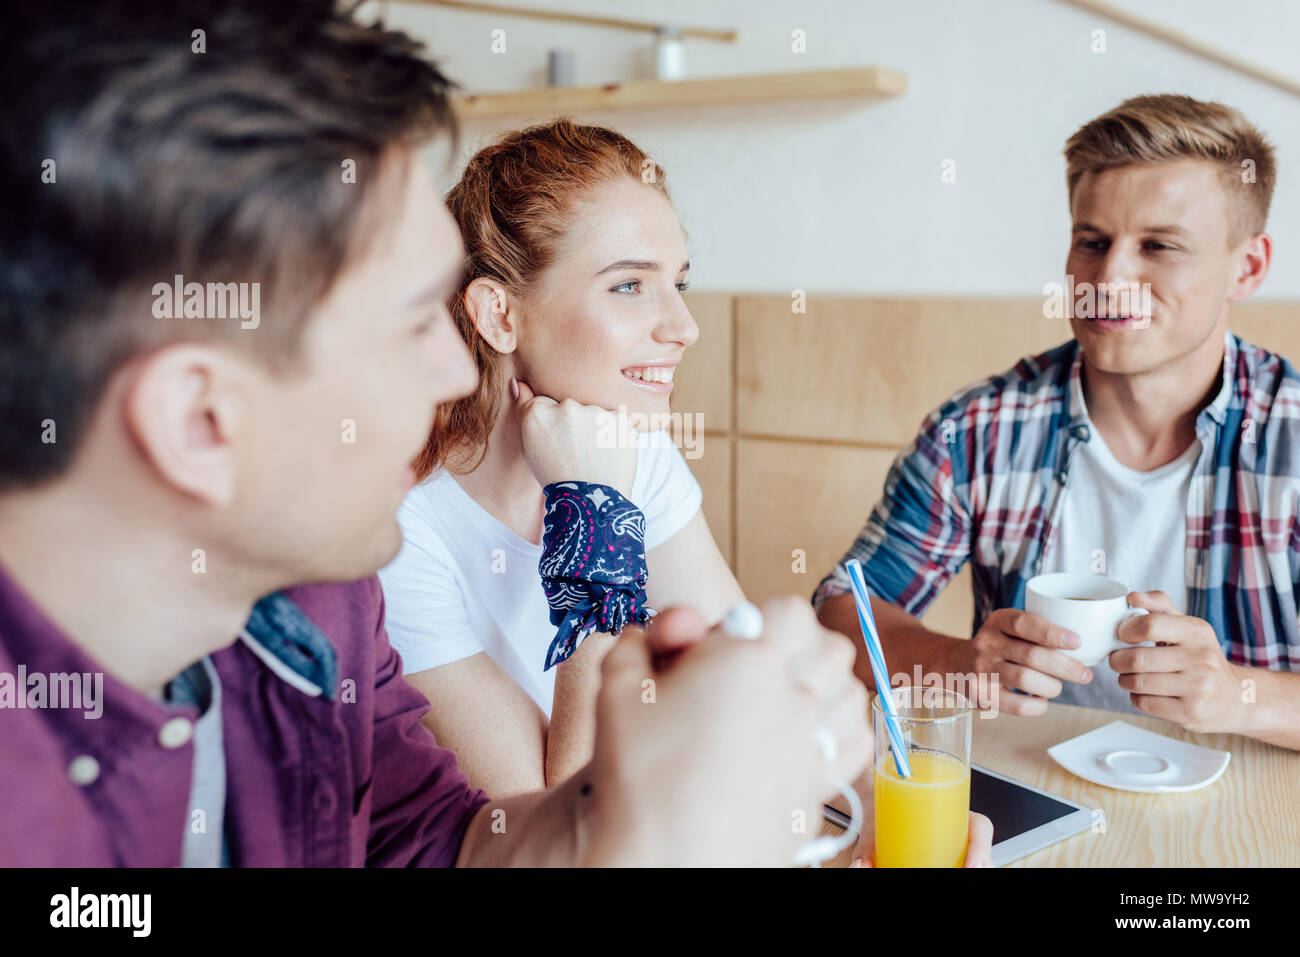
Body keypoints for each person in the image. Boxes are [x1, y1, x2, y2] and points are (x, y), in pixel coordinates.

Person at [0, 0, 991, 867]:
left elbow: (453, 840)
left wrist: (706, 778)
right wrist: (651, 841)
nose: (450, 369)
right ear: (199, 422)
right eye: (409, 324)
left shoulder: (323, 611)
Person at [815, 94, 1300, 750]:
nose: (1109, 275)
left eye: (1159, 245)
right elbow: (844, 611)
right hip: (1032, 803)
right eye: (1092, 242)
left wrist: (1236, 694)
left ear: (1247, 267)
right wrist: (962, 665)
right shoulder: (978, 429)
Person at [377, 120, 744, 796]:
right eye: (629, 286)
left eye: (678, 284)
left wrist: (870, 801)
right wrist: (595, 523)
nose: (684, 328)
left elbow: (748, 700)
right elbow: (558, 820)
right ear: (499, 315)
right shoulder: (395, 528)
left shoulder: (634, 448)